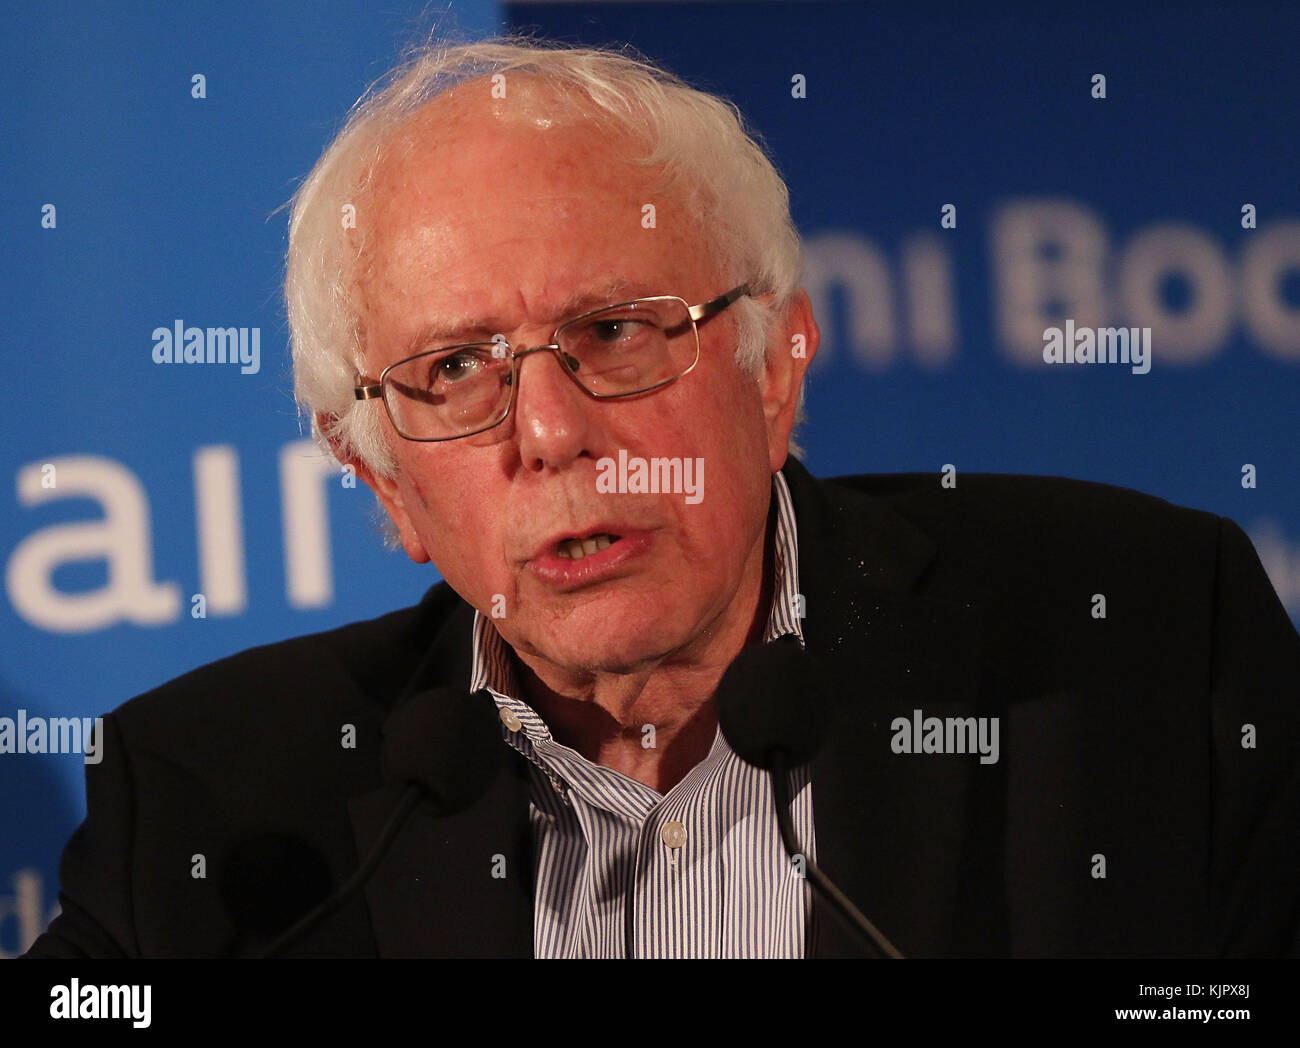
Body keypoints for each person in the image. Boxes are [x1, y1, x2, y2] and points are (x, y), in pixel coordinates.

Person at [24, 38, 1300, 959]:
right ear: (383, 482)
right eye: (453, 369)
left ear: (774, 368)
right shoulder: (222, 796)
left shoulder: (1137, 637)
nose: (552, 432)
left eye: (617, 329)